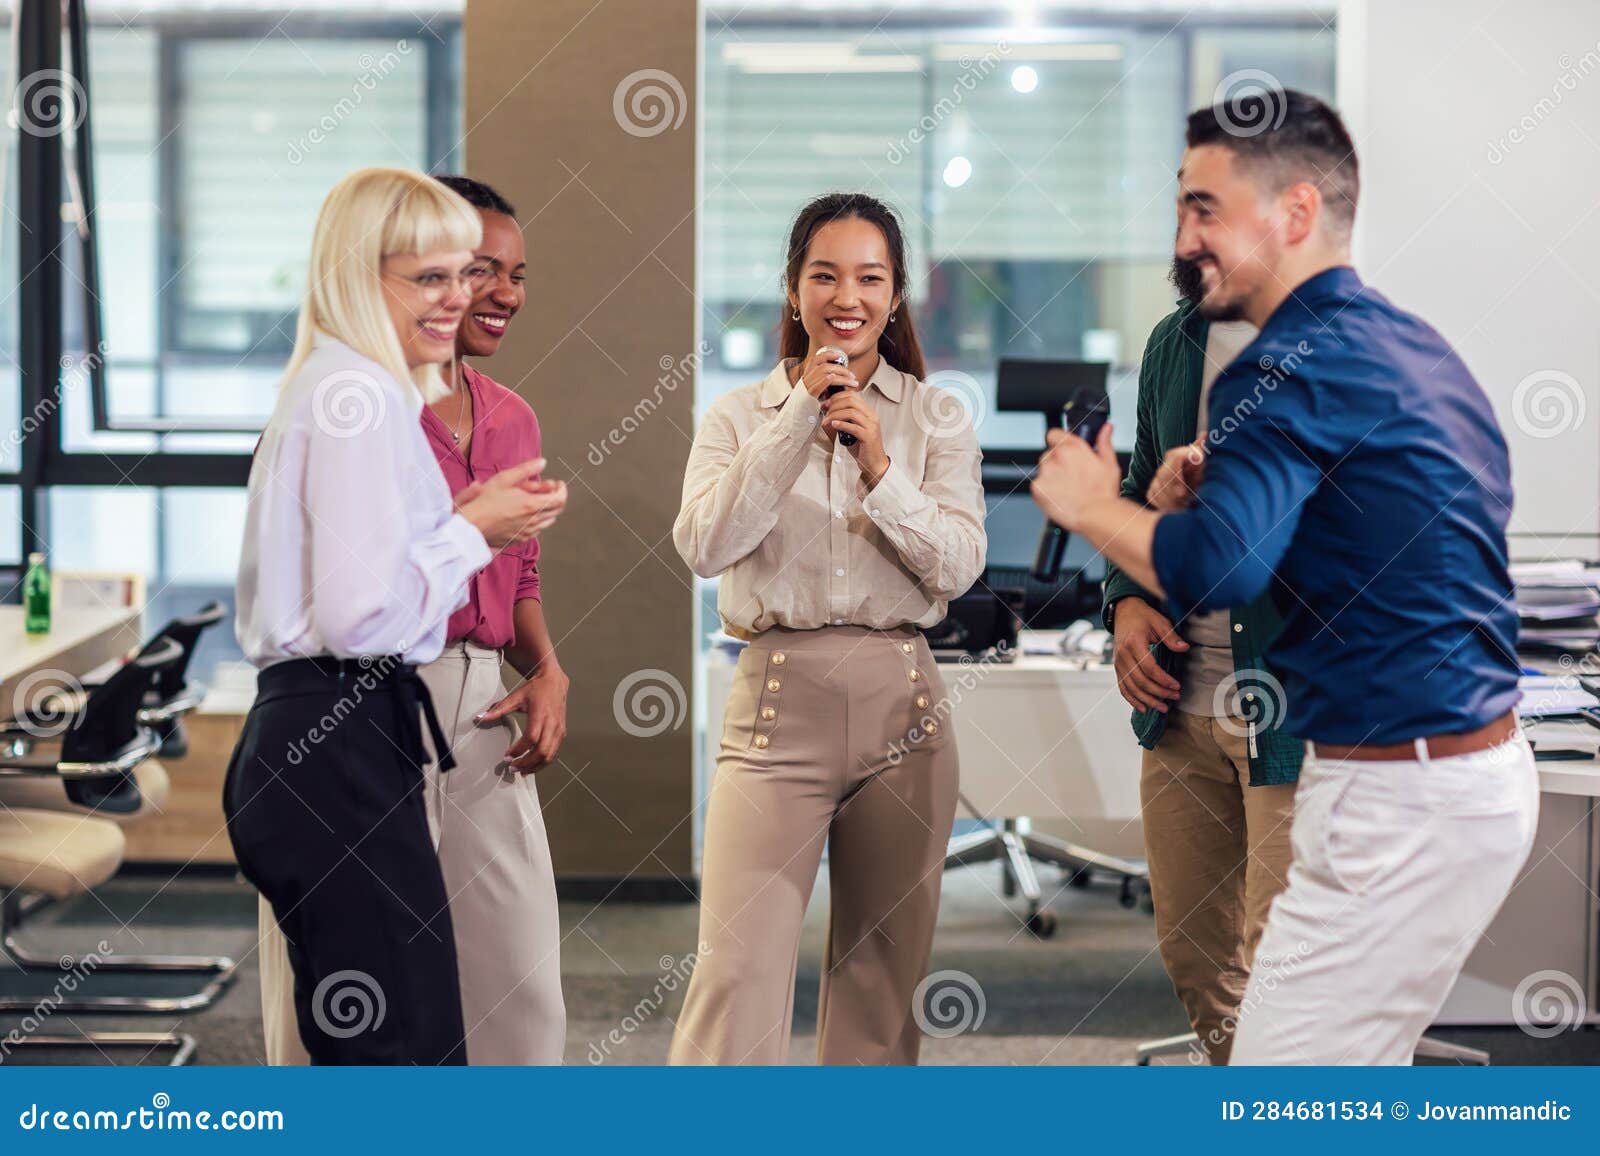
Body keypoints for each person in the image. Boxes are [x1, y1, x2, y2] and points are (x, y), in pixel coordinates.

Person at [1031, 90, 1536, 1065]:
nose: (1184, 236)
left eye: (1206, 209)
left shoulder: (1285, 366)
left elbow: (1222, 566)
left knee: (1280, 1088)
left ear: (1296, 213)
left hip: (1398, 796)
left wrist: (1095, 505)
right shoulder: (1401, 343)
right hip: (1458, 780)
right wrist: (1199, 507)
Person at [226, 166, 565, 1065]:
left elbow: (402, 578)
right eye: (437, 276)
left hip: (407, 710)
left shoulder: (361, 389)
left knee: (425, 1023)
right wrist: (469, 530)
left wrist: (476, 543)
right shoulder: (360, 400)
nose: (469, 297)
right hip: (345, 717)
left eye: (476, 274)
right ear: (360, 272)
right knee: (377, 1035)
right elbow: (358, 613)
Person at [668, 192, 985, 1065]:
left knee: (884, 982)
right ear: (793, 289)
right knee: (737, 974)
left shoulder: (934, 417)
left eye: (870, 278)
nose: (847, 296)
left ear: (896, 294)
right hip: (777, 710)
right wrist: (797, 417)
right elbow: (706, 544)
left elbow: (957, 567)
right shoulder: (739, 416)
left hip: (905, 709)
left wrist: (882, 464)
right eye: (826, 275)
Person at [1101, 252, 1300, 1065]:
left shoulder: (1339, 348)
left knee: (1283, 967)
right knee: (1195, 955)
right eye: (1187, 208)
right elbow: (1137, 481)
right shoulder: (1172, 342)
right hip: (1182, 701)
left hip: (1295, 708)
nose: (1195, 231)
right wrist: (1125, 599)